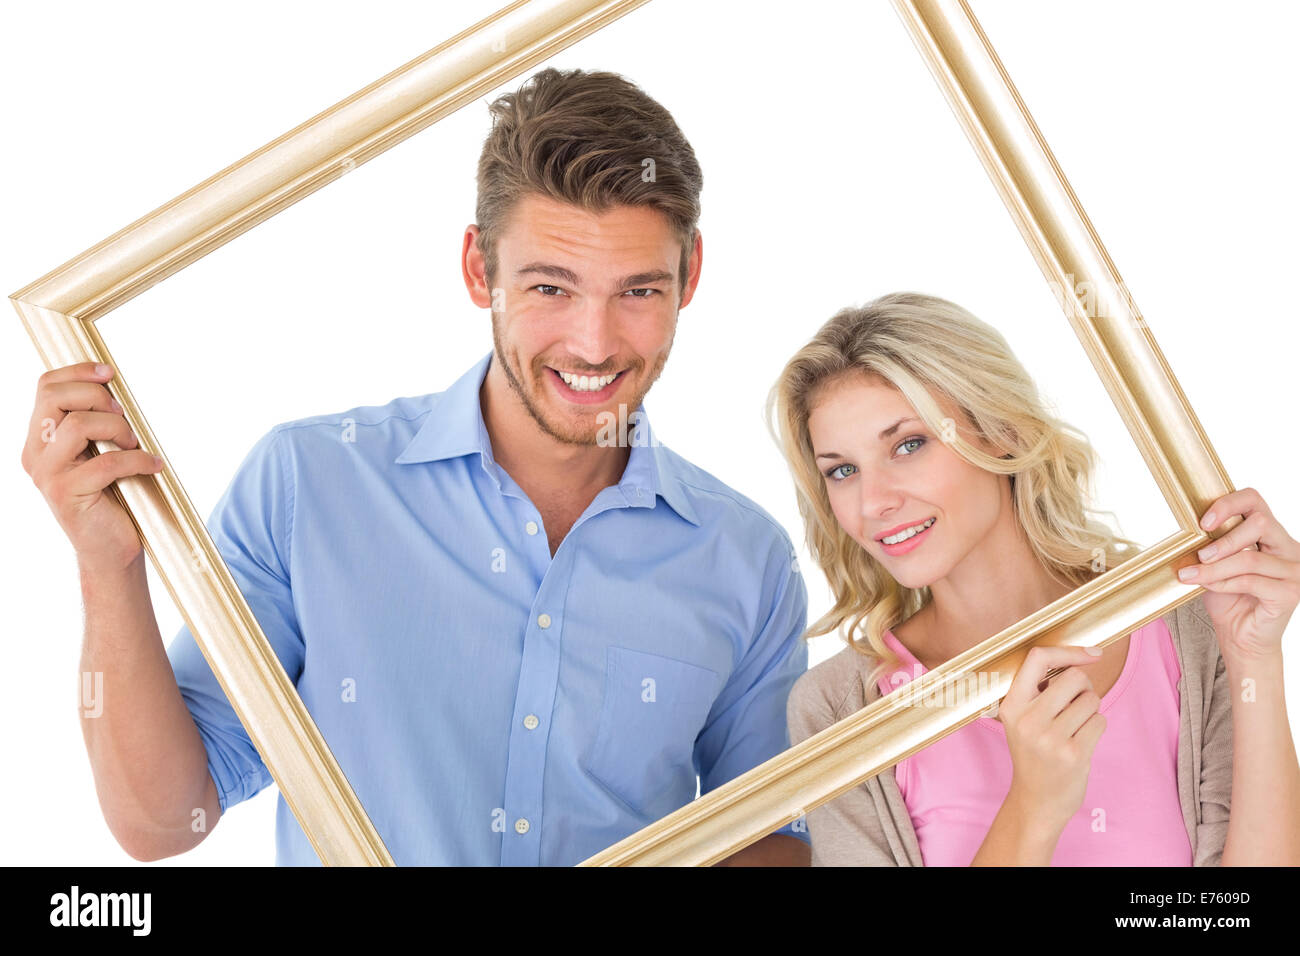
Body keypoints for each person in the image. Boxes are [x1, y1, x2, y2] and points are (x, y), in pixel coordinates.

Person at [21, 67, 811, 866]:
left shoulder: (748, 561)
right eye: (550, 287)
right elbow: (164, 824)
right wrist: (109, 567)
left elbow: (775, 842)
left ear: (691, 277)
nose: (595, 343)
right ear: (479, 271)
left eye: (638, 291)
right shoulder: (309, 486)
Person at [770, 291, 1300, 865]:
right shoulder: (840, 709)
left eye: (909, 444)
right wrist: (1035, 806)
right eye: (843, 471)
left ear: (1000, 431)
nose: (873, 502)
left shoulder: (1182, 622)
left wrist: (1255, 659)